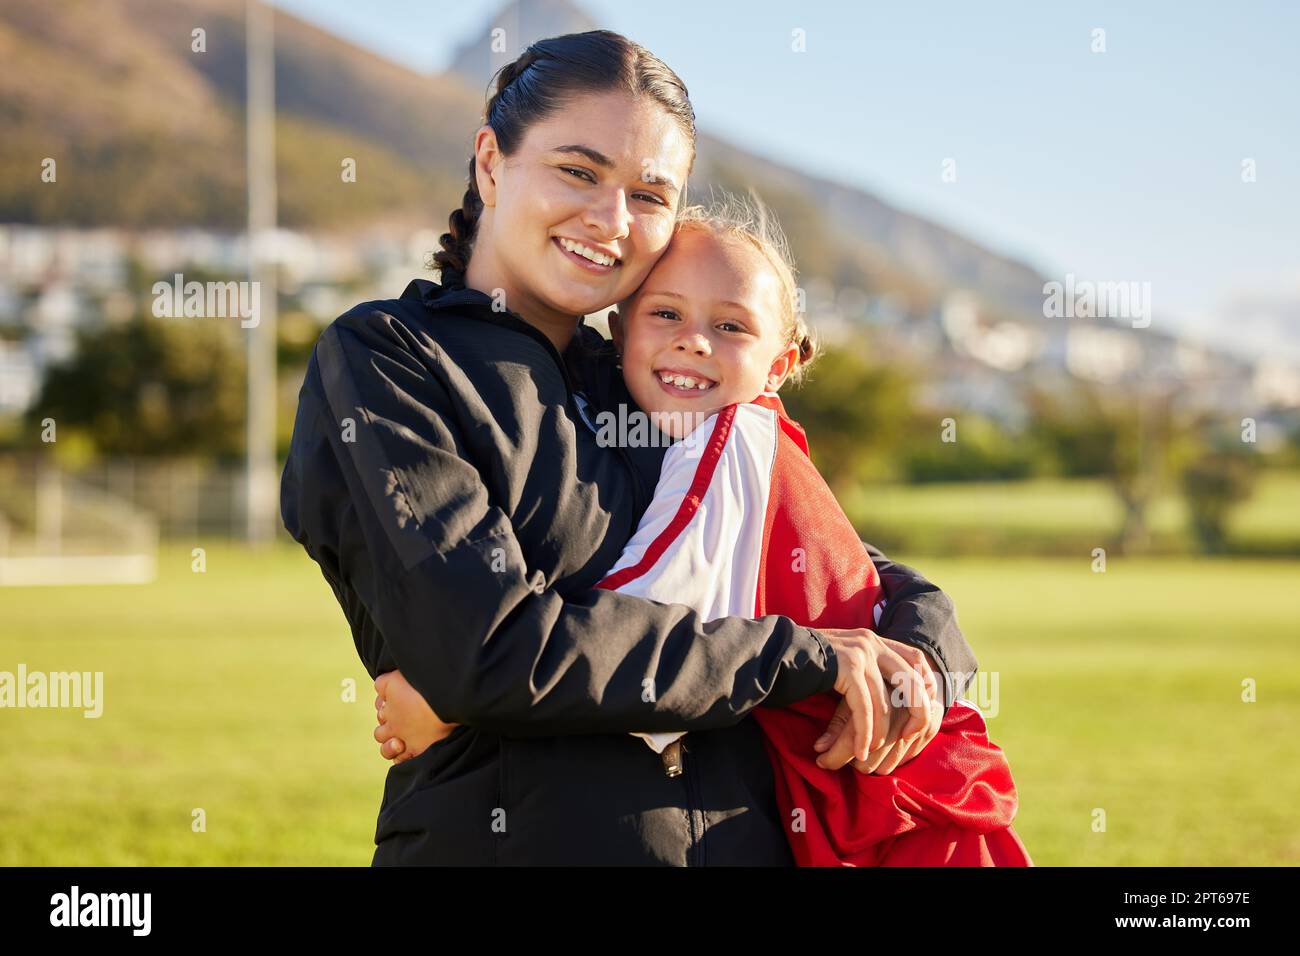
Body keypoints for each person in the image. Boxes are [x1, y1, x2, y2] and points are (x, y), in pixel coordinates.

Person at [282, 30, 977, 865]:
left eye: (650, 194)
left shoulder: (652, 373)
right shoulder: (388, 360)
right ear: (492, 164)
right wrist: (806, 657)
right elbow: (493, 653)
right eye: (579, 172)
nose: (611, 220)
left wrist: (922, 658)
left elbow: (829, 564)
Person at [378, 196, 1032, 866]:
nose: (694, 340)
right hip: (889, 781)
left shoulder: (726, 443)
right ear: (620, 328)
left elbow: (648, 616)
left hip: (903, 793)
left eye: (731, 326)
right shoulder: (741, 442)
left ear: (777, 366)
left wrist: (456, 695)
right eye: (667, 314)